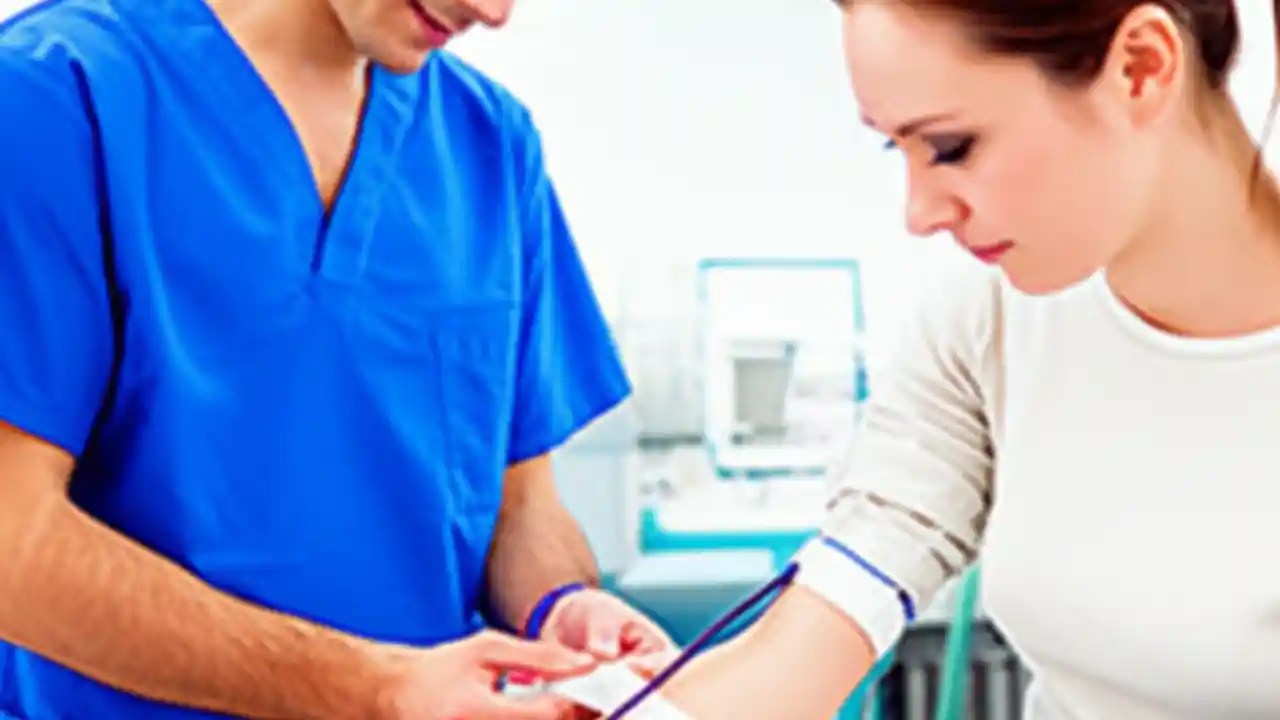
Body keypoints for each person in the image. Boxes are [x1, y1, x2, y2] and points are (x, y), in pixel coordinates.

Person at [0, 0, 673, 717]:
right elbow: (12, 542)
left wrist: (560, 610)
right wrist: (375, 689)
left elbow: (518, 507)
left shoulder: (491, 147)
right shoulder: (54, 97)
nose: (493, 11)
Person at [644, 2, 1280, 719]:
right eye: (898, 150)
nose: (918, 214)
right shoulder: (987, 316)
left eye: (950, 147)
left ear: (1141, 67)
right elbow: (827, 619)